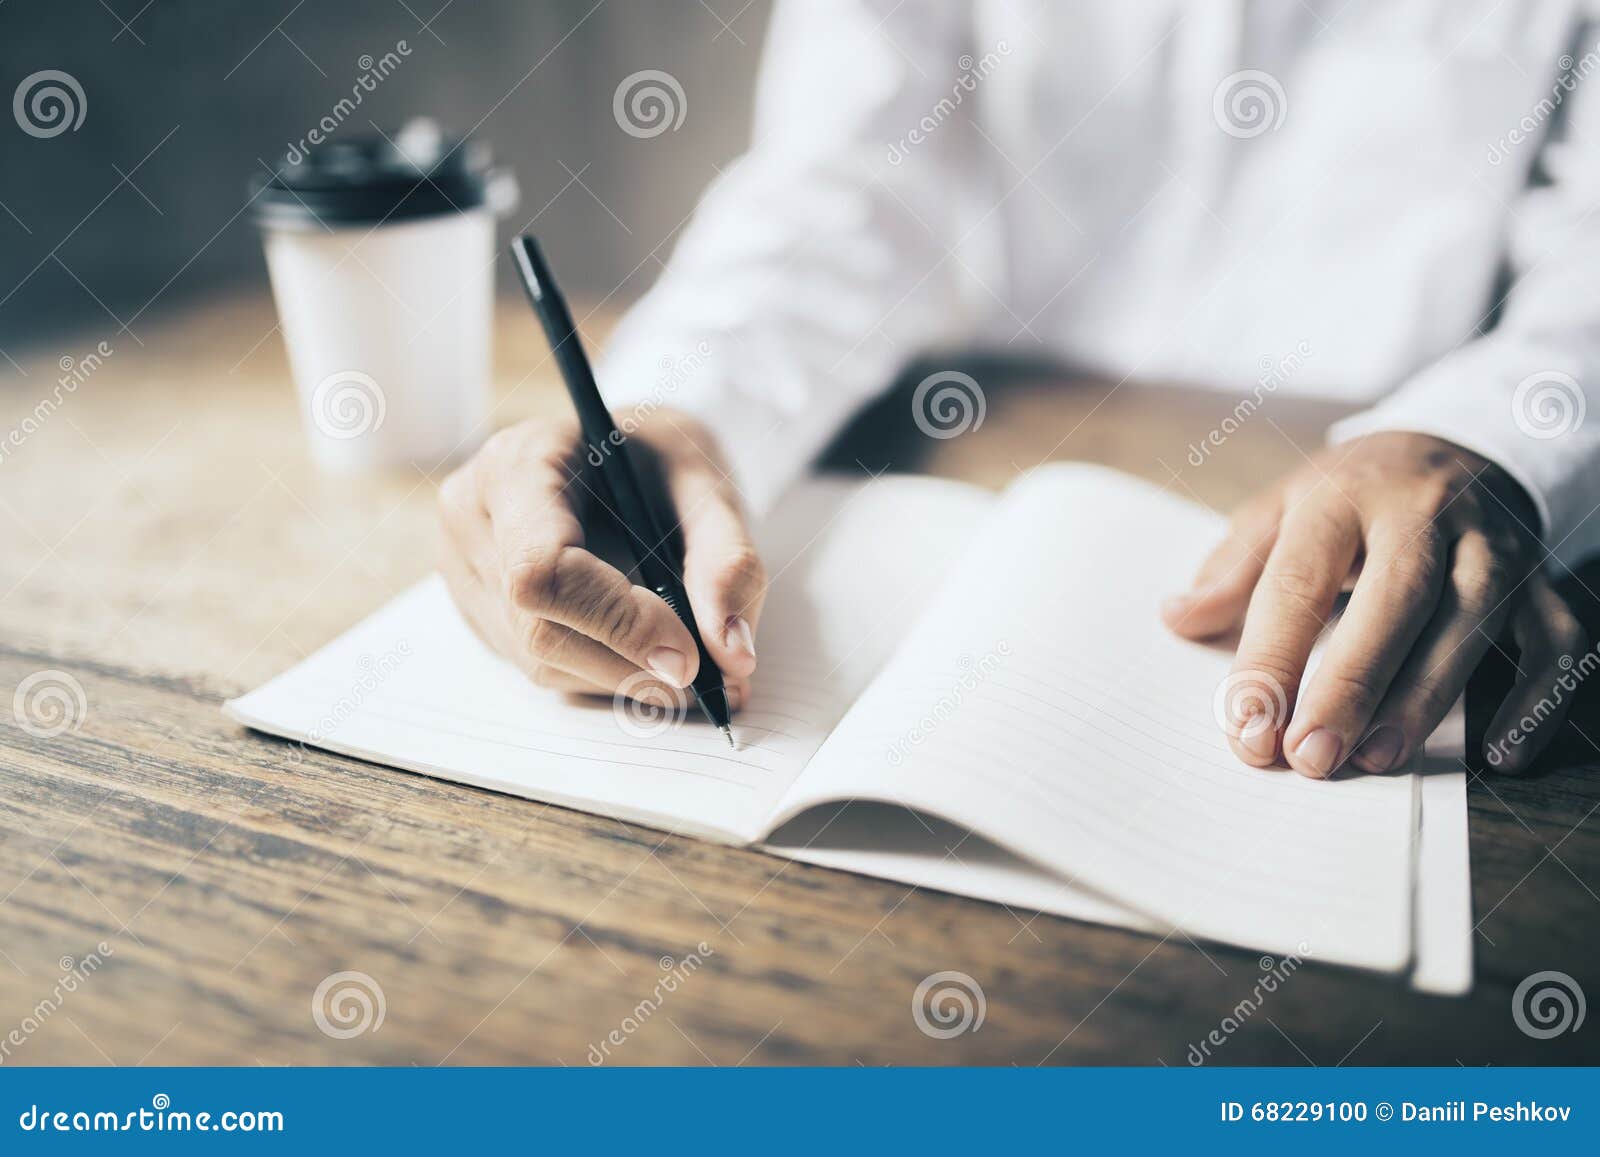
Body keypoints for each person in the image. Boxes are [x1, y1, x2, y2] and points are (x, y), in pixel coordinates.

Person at [439, 1, 1598, 777]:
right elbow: (845, 183)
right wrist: (672, 405)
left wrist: (1487, 435)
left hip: (1396, 506)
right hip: (972, 447)